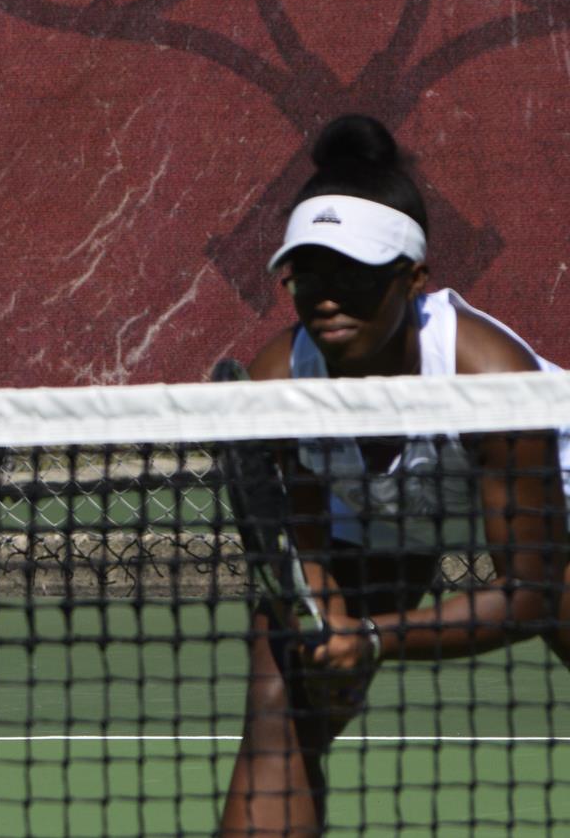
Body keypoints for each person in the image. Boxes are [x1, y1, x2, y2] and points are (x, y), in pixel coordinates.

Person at [219, 115, 563, 836]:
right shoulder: (279, 384)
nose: (325, 295)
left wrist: (370, 635)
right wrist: (326, 624)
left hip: (546, 507)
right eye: (308, 271)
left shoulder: (488, 377)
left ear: (414, 279)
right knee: (285, 690)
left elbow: (529, 594)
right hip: (381, 519)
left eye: (353, 273)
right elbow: (303, 543)